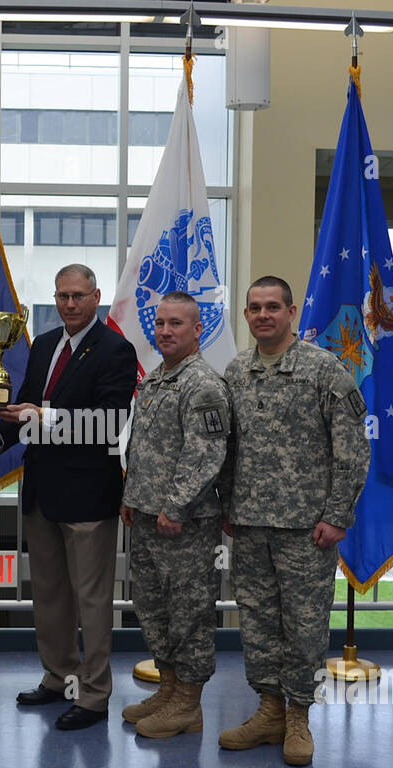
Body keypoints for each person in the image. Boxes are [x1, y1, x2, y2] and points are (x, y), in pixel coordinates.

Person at [0, 264, 138, 729]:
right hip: (42, 492)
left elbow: (106, 422)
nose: (69, 304)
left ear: (96, 297)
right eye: (62, 295)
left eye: (78, 296)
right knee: (48, 596)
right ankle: (58, 676)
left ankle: (93, 694)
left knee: (91, 600)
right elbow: (22, 406)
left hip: (89, 495)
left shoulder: (115, 350)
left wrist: (42, 416)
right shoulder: (43, 344)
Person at [218, 276, 370, 765]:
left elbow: (352, 451)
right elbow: (225, 448)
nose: (263, 315)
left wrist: (337, 515)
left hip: (308, 529)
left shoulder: (324, 371)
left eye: (273, 307)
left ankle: (299, 717)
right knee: (258, 623)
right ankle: (268, 711)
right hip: (249, 523)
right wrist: (226, 505)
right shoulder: (236, 371)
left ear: (291, 311)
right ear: (246, 315)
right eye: (255, 308)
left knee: (304, 628)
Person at [119, 291, 231, 739]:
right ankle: (168, 690)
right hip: (147, 515)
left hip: (183, 522)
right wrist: (131, 495)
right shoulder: (155, 380)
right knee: (154, 609)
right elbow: (144, 446)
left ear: (197, 329)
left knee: (189, 612)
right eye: (160, 323)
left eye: (176, 324)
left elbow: (205, 454)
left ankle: (188, 704)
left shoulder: (201, 384)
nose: (165, 331)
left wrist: (175, 505)